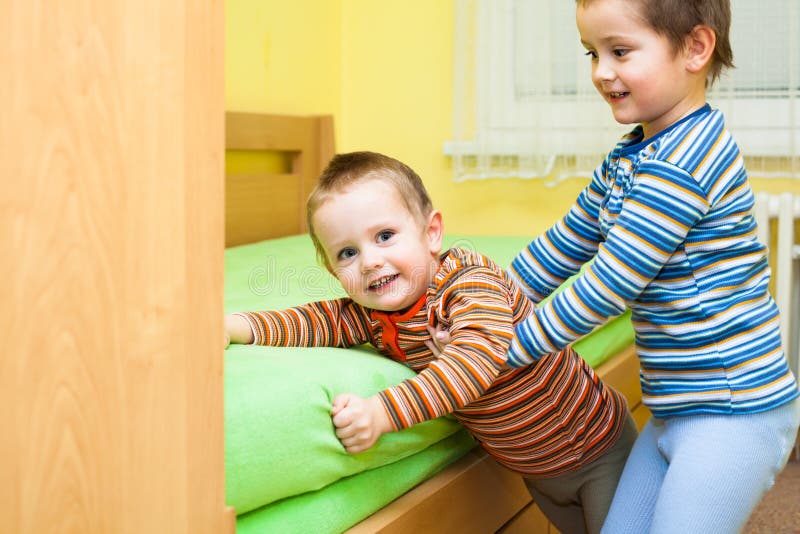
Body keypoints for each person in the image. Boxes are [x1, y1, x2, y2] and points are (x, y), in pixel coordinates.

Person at [498, 1, 800, 532]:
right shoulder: (630, 156)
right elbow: (563, 246)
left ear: (695, 48)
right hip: (672, 409)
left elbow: (608, 284)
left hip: (734, 411)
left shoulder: (687, 160)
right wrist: (484, 297)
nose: (601, 71)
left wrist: (502, 350)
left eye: (619, 51)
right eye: (592, 54)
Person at [225, 151, 637, 533]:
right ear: (334, 272)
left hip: (595, 449)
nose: (370, 261)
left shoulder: (469, 284)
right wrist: (236, 325)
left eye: (385, 236)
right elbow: (312, 321)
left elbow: (470, 365)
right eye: (347, 253)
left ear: (431, 233)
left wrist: (381, 412)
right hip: (536, 469)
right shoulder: (373, 312)